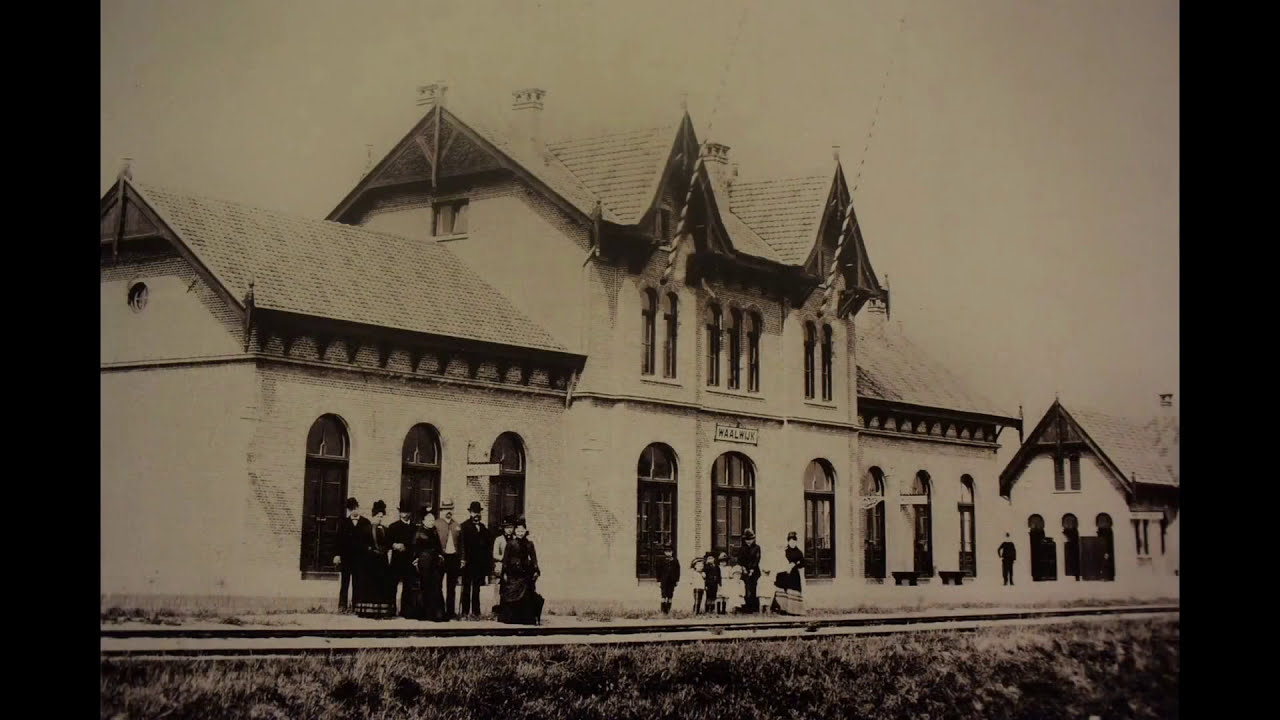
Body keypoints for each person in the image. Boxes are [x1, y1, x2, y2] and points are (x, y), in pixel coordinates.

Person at [354, 500, 396, 618]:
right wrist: (371, 550)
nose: (380, 519)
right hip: (370, 561)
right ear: (373, 516)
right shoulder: (366, 529)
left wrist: (386, 549)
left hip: (382, 561)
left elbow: (388, 543)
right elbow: (361, 544)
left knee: (381, 584)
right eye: (378, 517)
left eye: (381, 517)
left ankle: (380, 611)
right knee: (370, 585)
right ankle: (368, 611)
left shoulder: (385, 530)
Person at [497, 518, 543, 624]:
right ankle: (512, 618)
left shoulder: (529, 544)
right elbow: (506, 559)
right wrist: (504, 573)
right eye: (518, 531)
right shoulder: (511, 543)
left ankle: (526, 618)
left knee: (526, 594)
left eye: (522, 531)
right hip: (513, 573)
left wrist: (536, 570)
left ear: (526, 531)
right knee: (512, 593)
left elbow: (534, 558)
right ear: (515, 531)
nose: (520, 533)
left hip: (525, 573)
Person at [333, 497, 369, 612]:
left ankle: (356, 606)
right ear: (348, 510)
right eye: (351, 509)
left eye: (355, 508)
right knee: (345, 582)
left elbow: (368, 541)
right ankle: (342, 606)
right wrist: (337, 554)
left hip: (360, 558)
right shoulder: (343, 523)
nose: (354, 511)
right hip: (346, 558)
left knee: (358, 583)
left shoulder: (365, 522)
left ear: (358, 508)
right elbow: (338, 540)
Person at [411, 507, 446, 622]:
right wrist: (416, 559)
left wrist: (440, 555)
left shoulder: (434, 531)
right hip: (424, 563)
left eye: (433, 520)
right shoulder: (419, 532)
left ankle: (437, 614)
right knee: (425, 587)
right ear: (423, 521)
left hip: (435, 563)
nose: (432, 522)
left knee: (436, 587)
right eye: (429, 520)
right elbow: (415, 548)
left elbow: (438, 546)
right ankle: (424, 613)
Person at [459, 501, 492, 618]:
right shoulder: (464, 526)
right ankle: (465, 612)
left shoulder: (483, 528)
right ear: (470, 513)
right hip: (468, 562)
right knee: (467, 587)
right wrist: (462, 559)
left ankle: (476, 612)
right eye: (474, 512)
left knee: (477, 588)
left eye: (478, 512)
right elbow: (461, 545)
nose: (476, 515)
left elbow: (487, 548)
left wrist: (487, 565)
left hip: (479, 563)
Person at [386, 503, 418, 617]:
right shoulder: (393, 526)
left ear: (410, 513)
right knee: (392, 585)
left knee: (408, 586)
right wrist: (394, 545)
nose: (404, 514)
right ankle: (391, 609)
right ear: (399, 513)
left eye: (407, 512)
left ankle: (406, 611)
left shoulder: (414, 528)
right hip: (396, 561)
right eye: (402, 512)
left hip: (409, 561)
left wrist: (407, 547)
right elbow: (387, 541)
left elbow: (416, 544)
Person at [435, 500, 463, 619]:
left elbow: (461, 544)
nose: (448, 512)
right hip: (441, 558)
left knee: (451, 587)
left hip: (454, 558)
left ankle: (450, 612)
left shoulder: (457, 525)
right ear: (442, 510)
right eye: (446, 509)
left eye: (450, 509)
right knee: (438, 585)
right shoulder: (436, 524)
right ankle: (440, 611)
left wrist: (462, 559)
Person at [770, 531, 806, 615]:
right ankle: (782, 608)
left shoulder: (799, 552)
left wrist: (795, 564)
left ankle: (793, 610)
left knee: (793, 590)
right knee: (782, 589)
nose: (792, 543)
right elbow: (779, 560)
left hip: (794, 574)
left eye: (794, 541)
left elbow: (802, 563)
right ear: (788, 541)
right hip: (784, 573)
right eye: (790, 541)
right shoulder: (785, 551)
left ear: (796, 542)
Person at [491, 516, 515, 614]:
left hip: (513, 566)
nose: (509, 530)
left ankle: (511, 609)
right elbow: (495, 554)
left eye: (511, 527)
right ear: (504, 528)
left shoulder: (515, 539)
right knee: (499, 587)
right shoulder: (499, 539)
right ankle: (497, 607)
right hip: (501, 565)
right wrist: (505, 558)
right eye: (507, 527)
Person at [739, 529, 763, 613]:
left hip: (754, 571)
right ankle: (745, 606)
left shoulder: (757, 548)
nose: (748, 541)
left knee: (753, 587)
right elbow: (740, 559)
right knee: (745, 587)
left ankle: (754, 606)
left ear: (753, 539)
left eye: (750, 539)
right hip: (745, 571)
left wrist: (752, 569)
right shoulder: (742, 548)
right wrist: (743, 568)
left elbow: (757, 559)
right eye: (747, 540)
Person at [656, 543, 681, 614]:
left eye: (670, 551)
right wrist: (658, 580)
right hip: (664, 580)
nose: (668, 553)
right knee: (664, 594)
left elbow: (678, 571)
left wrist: (677, 580)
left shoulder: (675, 561)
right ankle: (663, 610)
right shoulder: (661, 560)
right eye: (667, 552)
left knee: (670, 594)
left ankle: (668, 609)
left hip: (672, 581)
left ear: (672, 552)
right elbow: (658, 571)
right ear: (664, 552)